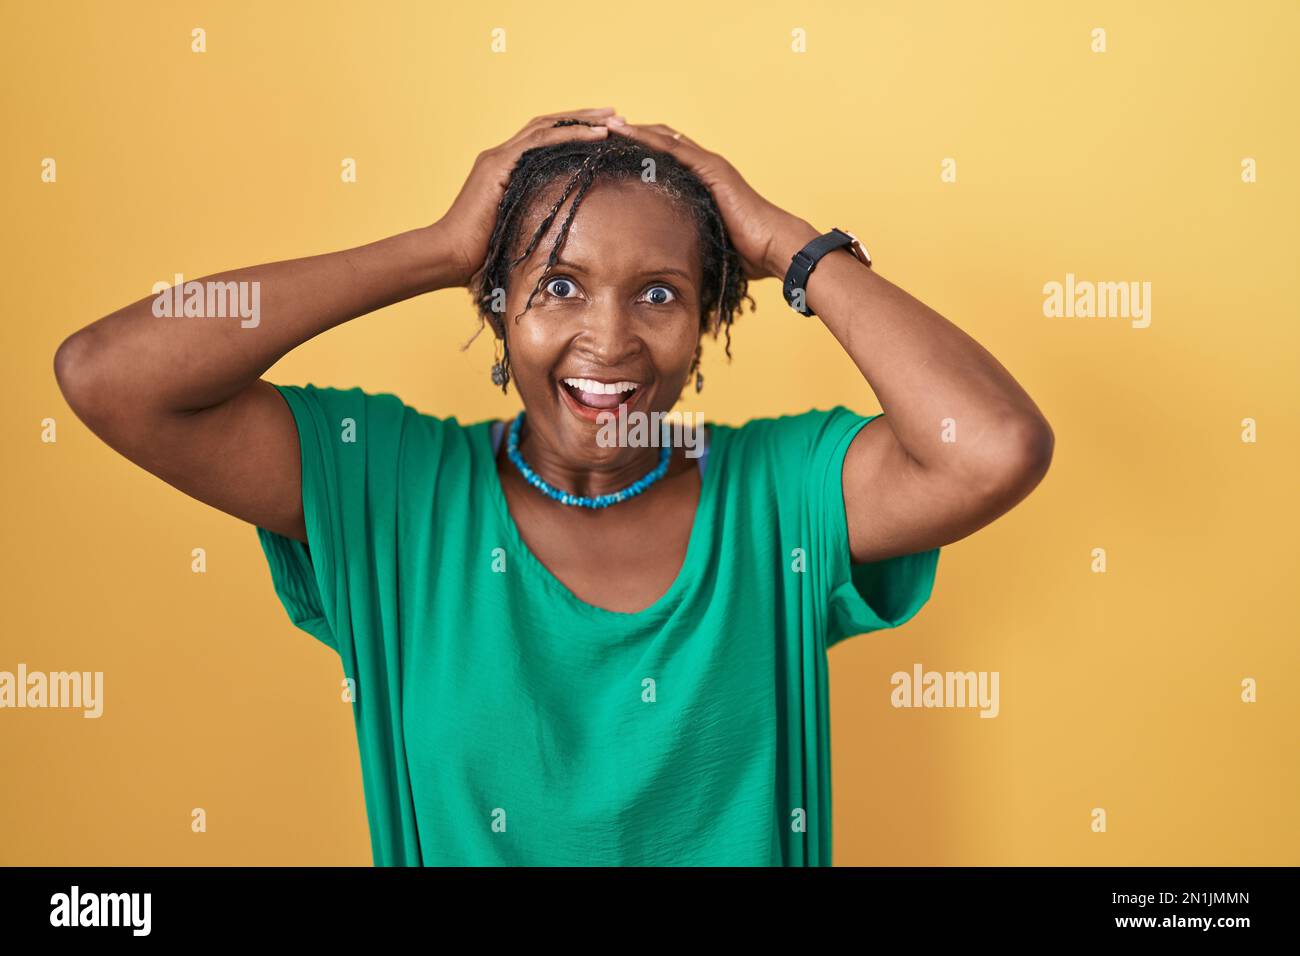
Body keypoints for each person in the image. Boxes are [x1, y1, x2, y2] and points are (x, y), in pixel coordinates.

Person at [53, 107, 1054, 865]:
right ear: (497, 310)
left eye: (659, 292)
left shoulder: (776, 498)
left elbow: (993, 446)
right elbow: (108, 373)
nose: (607, 340)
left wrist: (793, 246)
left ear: (710, 319)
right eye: (557, 285)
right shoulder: (396, 491)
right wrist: (440, 247)